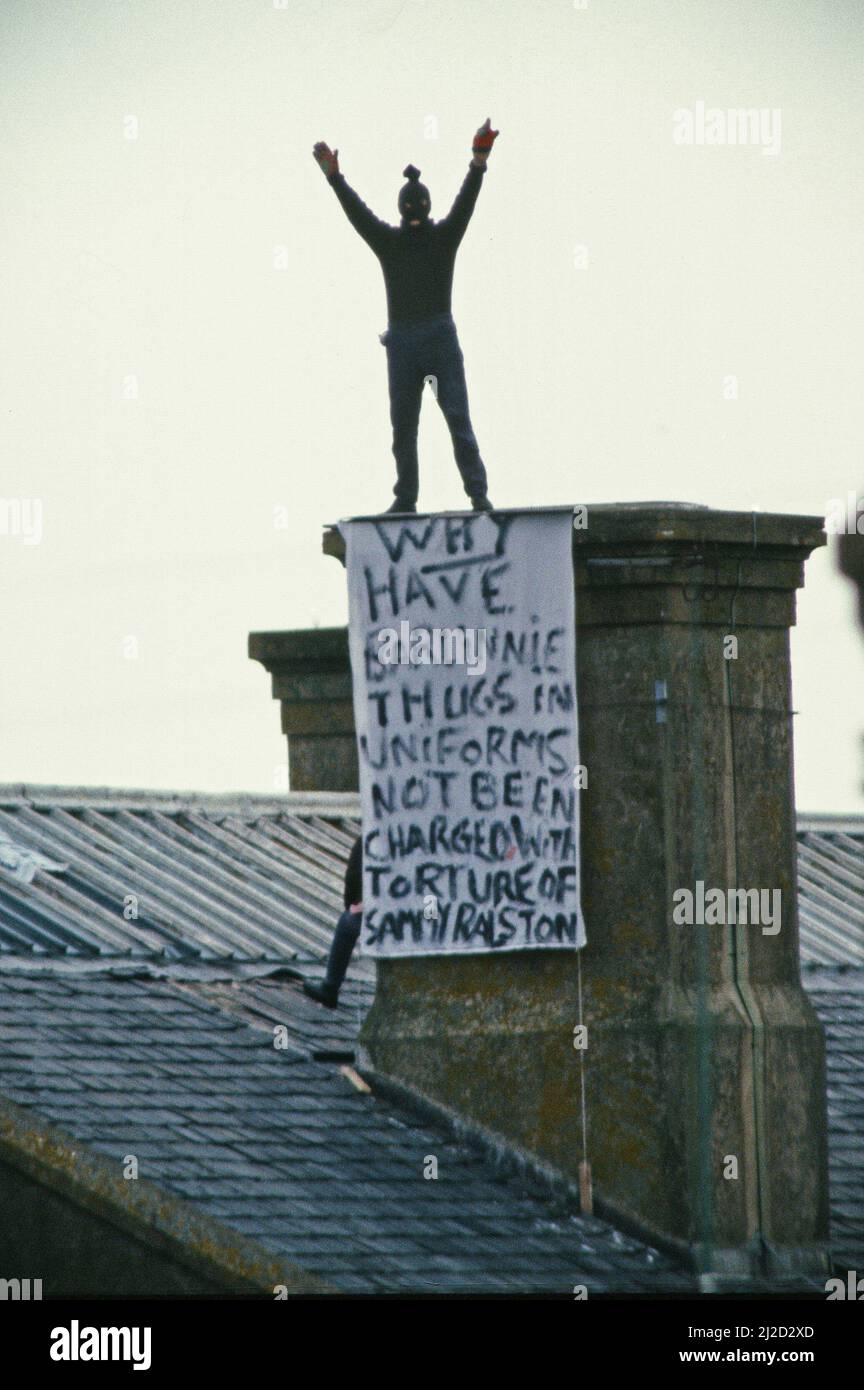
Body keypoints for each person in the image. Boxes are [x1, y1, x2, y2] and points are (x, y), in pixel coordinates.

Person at [312, 119, 500, 514]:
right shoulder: (437, 237)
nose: (414, 219)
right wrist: (478, 161)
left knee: (437, 423)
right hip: (424, 341)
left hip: (413, 342)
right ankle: (430, 497)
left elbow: (360, 215)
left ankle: (457, 496)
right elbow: (464, 203)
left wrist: (335, 179)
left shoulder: (393, 241)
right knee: (427, 425)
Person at [303, 836, 363, 1008]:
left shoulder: (372, 834)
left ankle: (330, 987)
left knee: (348, 921)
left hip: (382, 913)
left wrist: (352, 904)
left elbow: (353, 876)